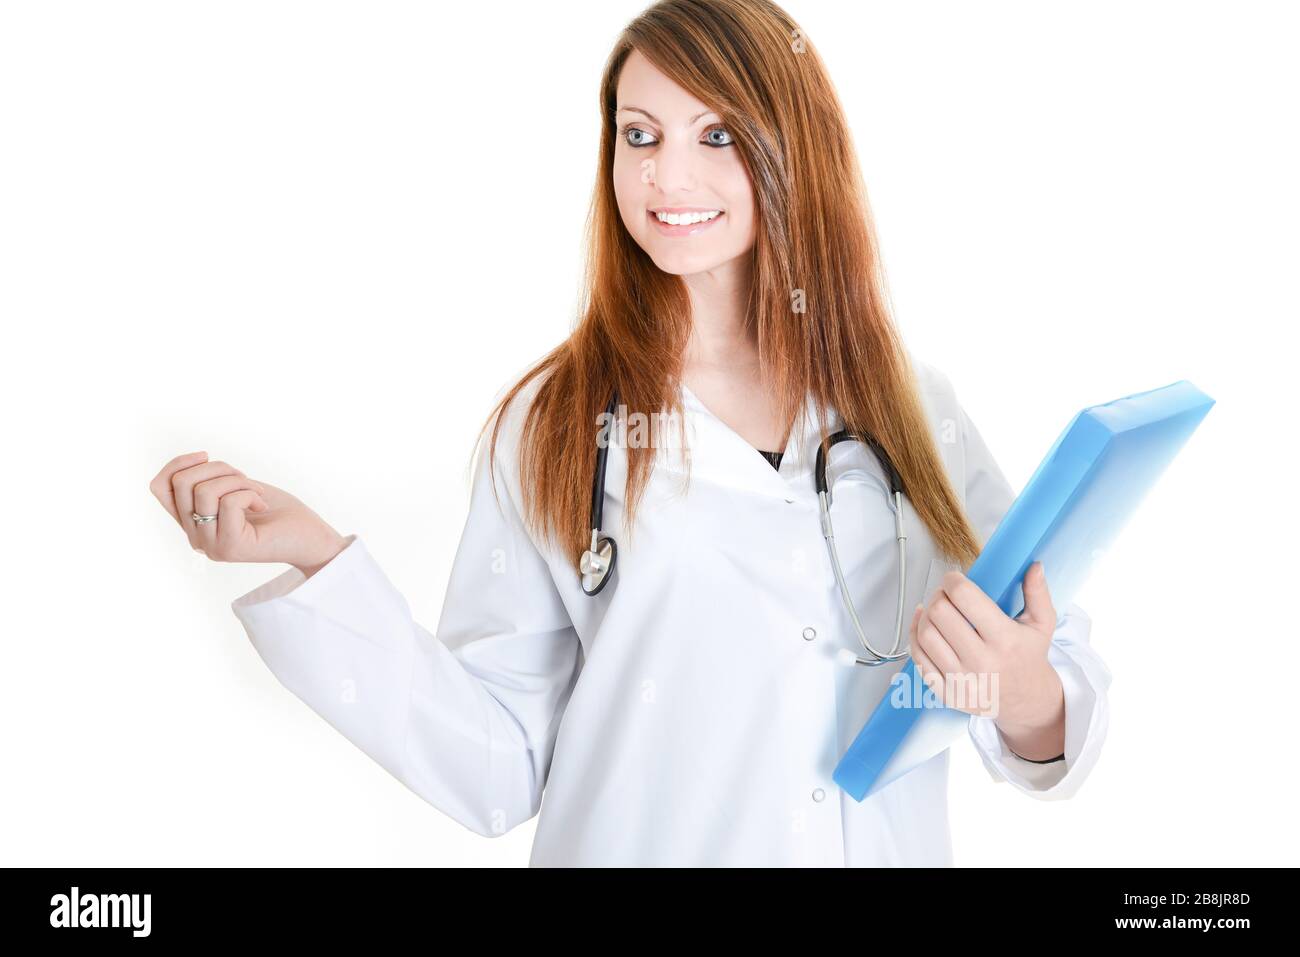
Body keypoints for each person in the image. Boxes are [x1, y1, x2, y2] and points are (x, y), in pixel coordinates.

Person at [148, 0, 1110, 867]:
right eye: (639, 133)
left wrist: (1024, 693)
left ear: (796, 147)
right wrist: (321, 562)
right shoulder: (556, 423)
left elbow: (1047, 678)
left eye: (716, 134)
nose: (665, 173)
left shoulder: (909, 406)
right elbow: (497, 765)